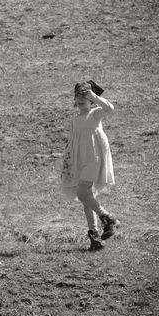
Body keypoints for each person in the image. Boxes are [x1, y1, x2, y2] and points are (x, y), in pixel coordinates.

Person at [60, 80, 118, 251]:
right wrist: (68, 164)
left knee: (82, 193)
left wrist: (94, 96)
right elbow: (71, 143)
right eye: (78, 95)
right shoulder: (75, 120)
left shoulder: (95, 114)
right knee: (86, 197)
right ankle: (95, 237)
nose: (81, 99)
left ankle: (107, 218)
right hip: (80, 161)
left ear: (91, 99)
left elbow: (110, 108)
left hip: (94, 157)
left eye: (84, 95)